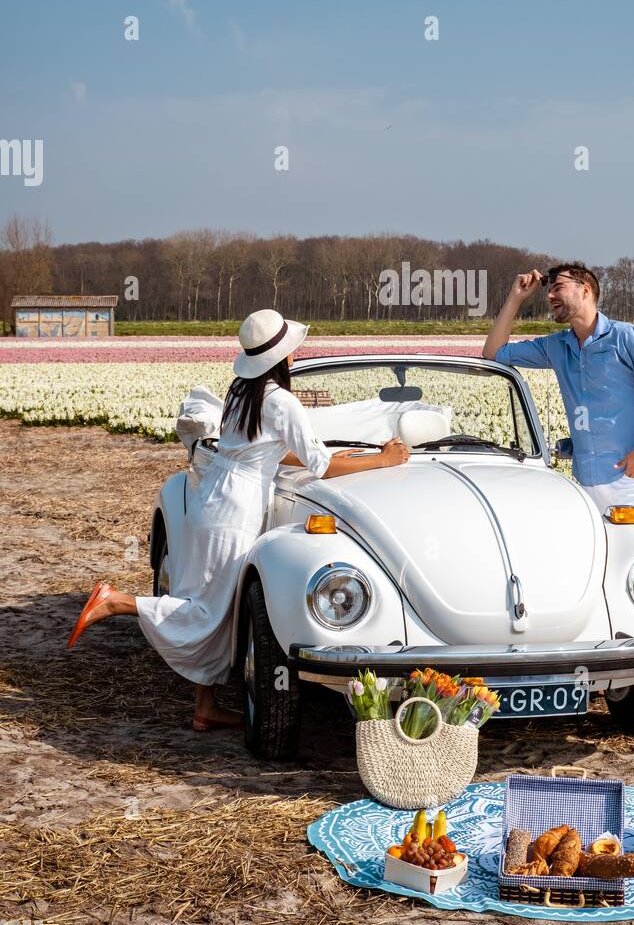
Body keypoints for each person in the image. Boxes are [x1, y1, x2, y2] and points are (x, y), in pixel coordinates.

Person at [67, 309, 409, 730]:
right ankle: (117, 601)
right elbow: (317, 465)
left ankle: (204, 707)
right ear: (283, 357)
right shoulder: (281, 401)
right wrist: (383, 459)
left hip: (213, 495)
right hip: (236, 507)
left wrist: (349, 456)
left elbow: (270, 451)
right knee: (209, 609)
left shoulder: (242, 391)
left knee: (213, 602)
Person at [482, 264, 634, 528]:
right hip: (584, 483)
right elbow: (494, 353)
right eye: (549, 290)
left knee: (632, 559)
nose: (550, 296)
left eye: (558, 288)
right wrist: (515, 297)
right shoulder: (555, 346)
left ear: (585, 290)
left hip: (631, 480)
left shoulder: (626, 338)